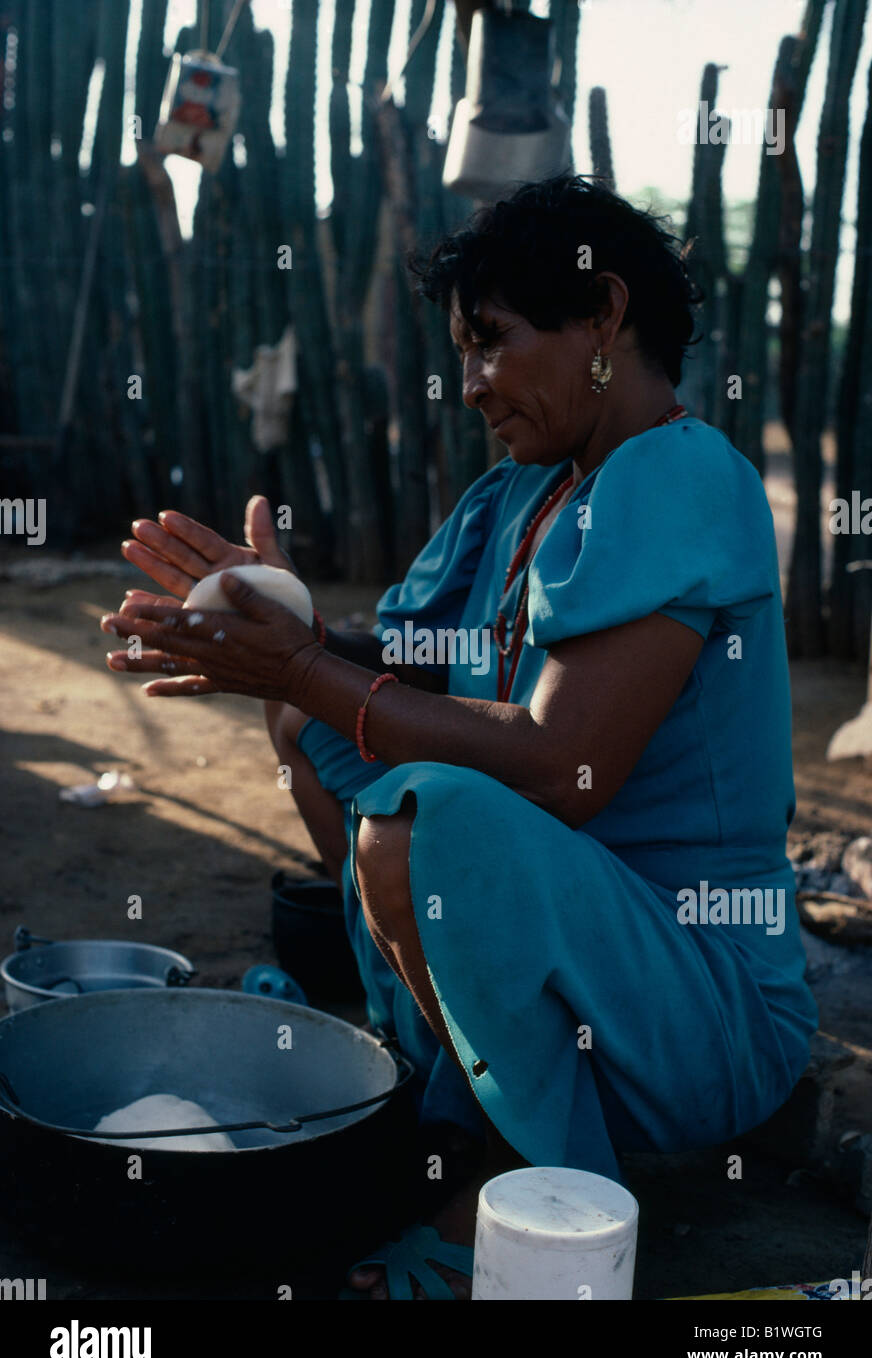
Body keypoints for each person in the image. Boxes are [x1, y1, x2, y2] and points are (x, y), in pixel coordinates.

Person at [102, 174, 818, 1300]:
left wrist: (305, 667)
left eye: (490, 342)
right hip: (564, 960)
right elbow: (394, 667)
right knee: (315, 722)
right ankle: (454, 1078)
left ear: (602, 317)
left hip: (693, 997)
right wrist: (275, 623)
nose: (471, 384)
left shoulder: (684, 479)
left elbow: (558, 766)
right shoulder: (514, 499)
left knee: (419, 821)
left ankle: (542, 1189)